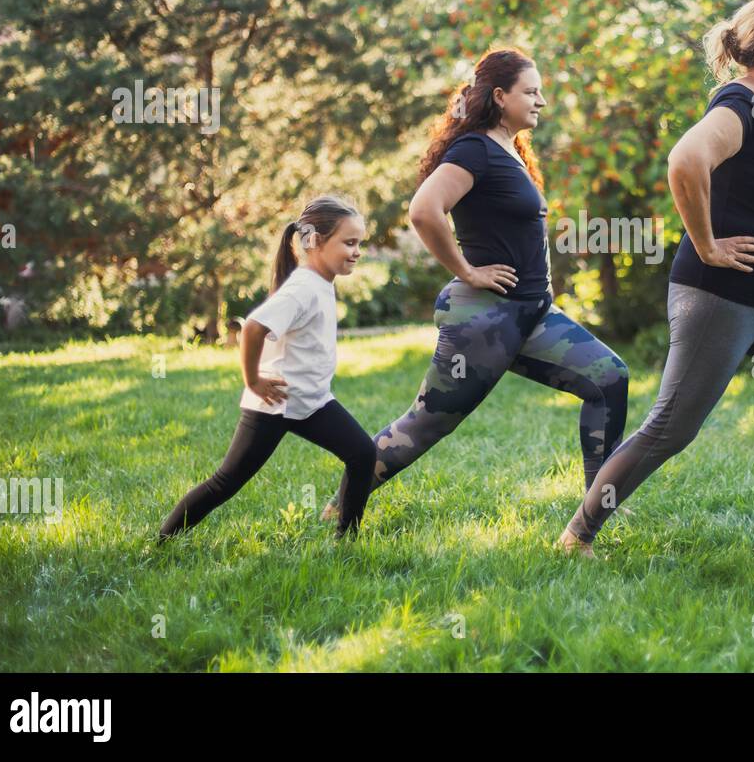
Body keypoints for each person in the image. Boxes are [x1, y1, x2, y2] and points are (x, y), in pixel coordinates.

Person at [558, 0, 754, 571]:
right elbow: (686, 161)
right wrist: (706, 244)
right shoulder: (740, 105)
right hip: (720, 300)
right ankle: (578, 534)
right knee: (671, 429)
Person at [322, 47, 630, 521]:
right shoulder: (475, 149)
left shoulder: (510, 150)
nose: (541, 101)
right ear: (500, 95)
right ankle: (339, 508)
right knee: (426, 425)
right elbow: (424, 210)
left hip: (531, 313)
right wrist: (467, 271)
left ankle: (596, 511)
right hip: (484, 319)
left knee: (608, 378)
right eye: (531, 91)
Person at [159, 195, 376, 540]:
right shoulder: (303, 288)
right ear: (315, 242)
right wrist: (253, 380)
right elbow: (253, 327)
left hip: (311, 402)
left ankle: (346, 541)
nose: (356, 251)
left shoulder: (321, 282)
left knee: (363, 454)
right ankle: (162, 540)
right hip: (275, 405)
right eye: (349, 243)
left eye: (359, 243)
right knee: (226, 482)